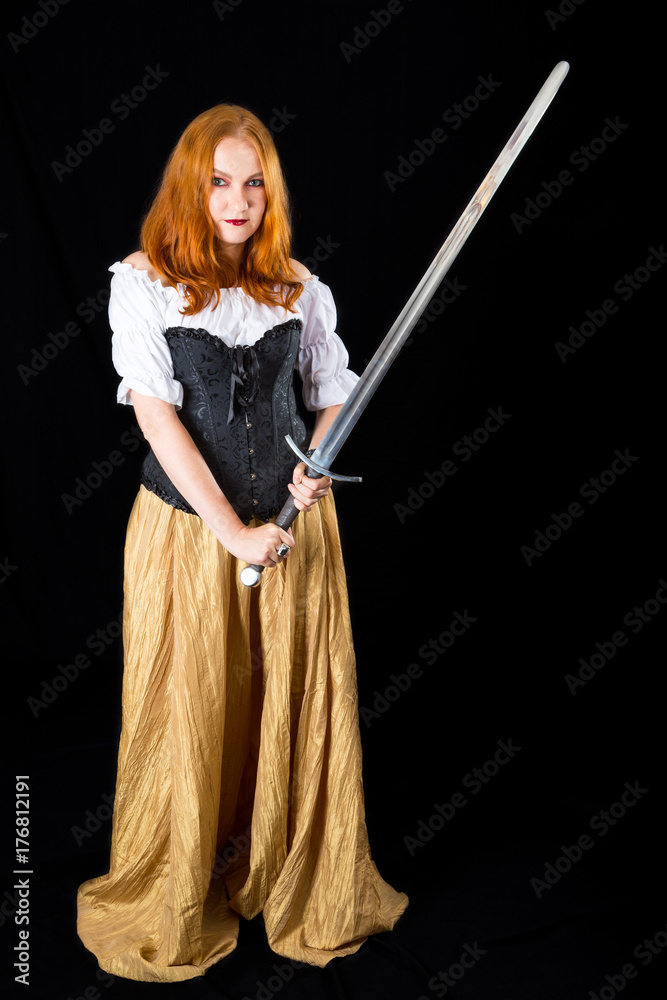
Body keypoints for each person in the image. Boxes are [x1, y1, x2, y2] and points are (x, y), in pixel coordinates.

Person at [76, 103, 408, 983]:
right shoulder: (142, 282)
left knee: (286, 701)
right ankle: (188, 880)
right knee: (192, 710)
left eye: (254, 182)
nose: (238, 198)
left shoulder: (296, 286)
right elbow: (156, 418)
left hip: (296, 532)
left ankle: (279, 865)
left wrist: (318, 465)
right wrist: (233, 535)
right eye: (220, 180)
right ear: (192, 184)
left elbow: (333, 393)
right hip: (190, 539)